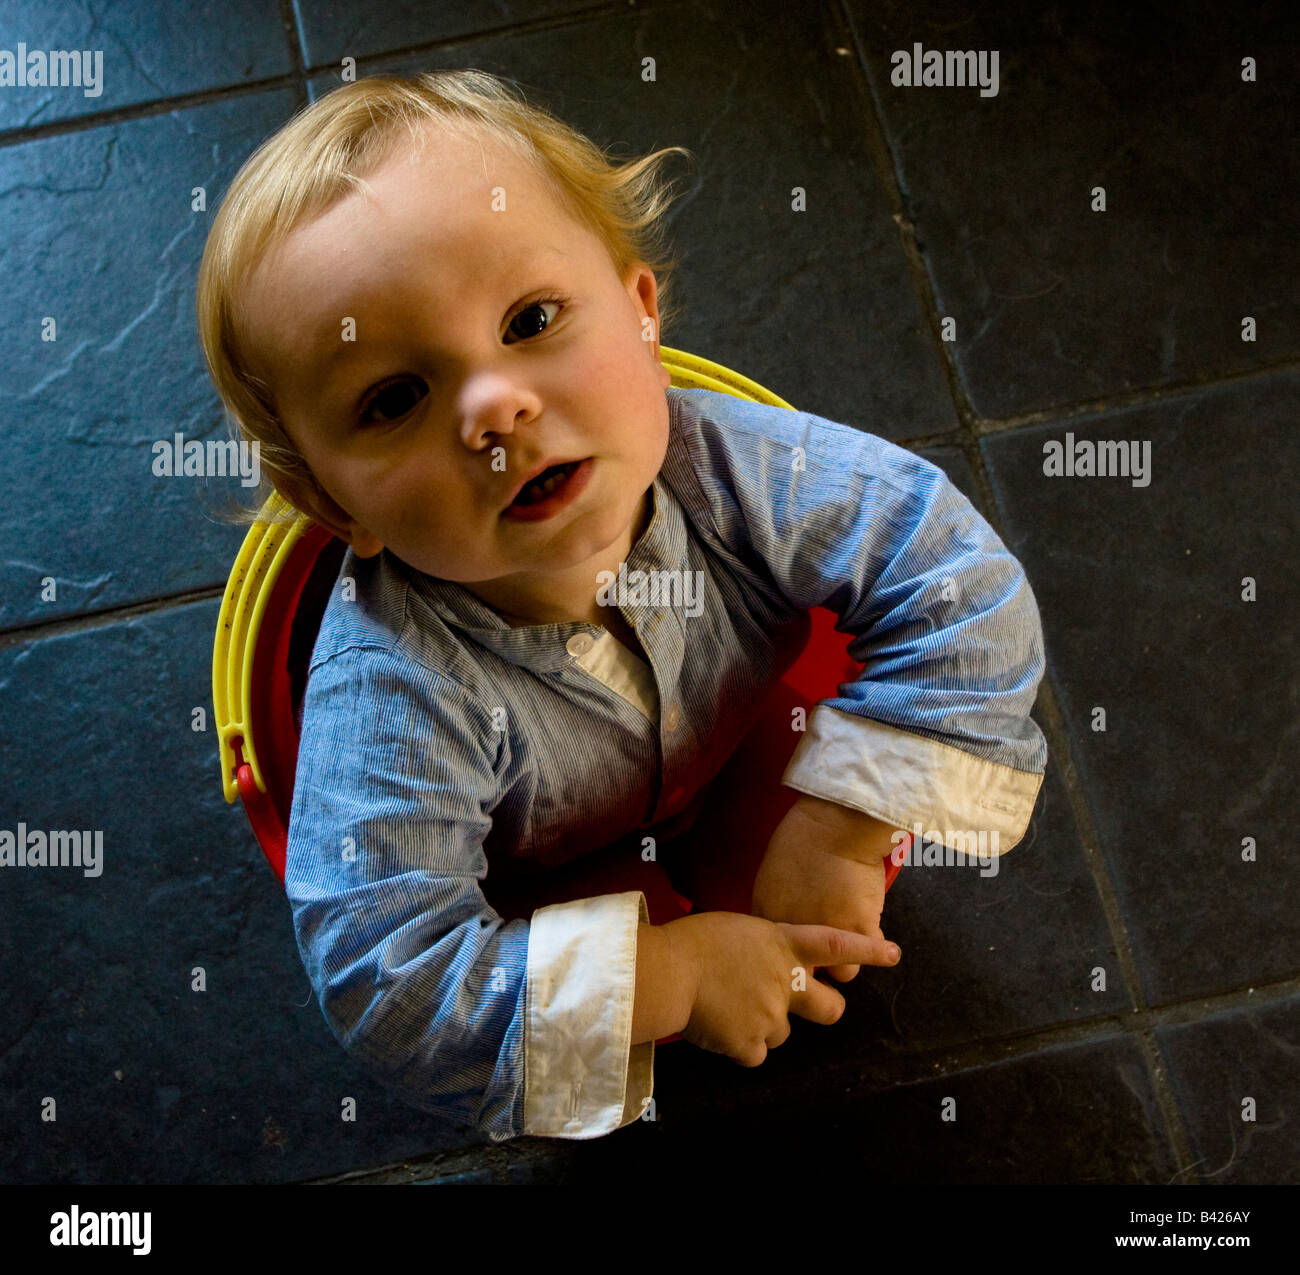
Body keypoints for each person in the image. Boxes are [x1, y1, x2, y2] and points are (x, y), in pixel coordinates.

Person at [196, 69, 1047, 1143]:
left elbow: (957, 581)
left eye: (532, 317)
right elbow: (386, 975)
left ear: (641, 314)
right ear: (333, 505)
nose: (495, 405)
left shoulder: (737, 473)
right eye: (395, 398)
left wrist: (843, 826)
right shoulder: (392, 691)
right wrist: (667, 979)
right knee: (598, 965)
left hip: (738, 752)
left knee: (810, 791)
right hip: (539, 884)